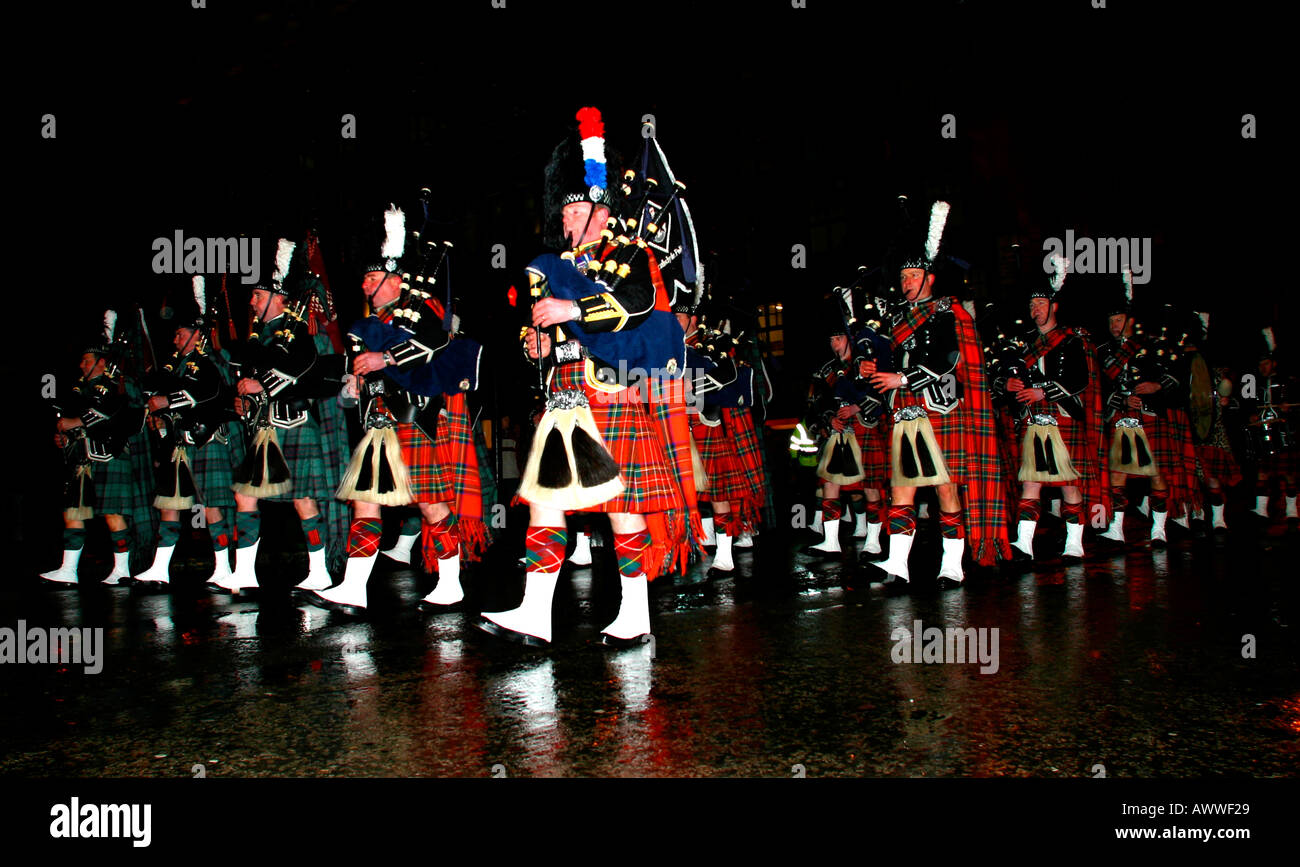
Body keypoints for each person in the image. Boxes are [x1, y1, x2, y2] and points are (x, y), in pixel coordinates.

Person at [479, 107, 697, 646]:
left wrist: (571, 312)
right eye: (570, 208)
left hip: (611, 392)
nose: (576, 217)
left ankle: (637, 614)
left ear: (603, 209)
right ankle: (534, 612)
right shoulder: (553, 265)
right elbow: (551, 339)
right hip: (564, 400)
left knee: (623, 513)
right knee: (546, 504)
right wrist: (539, 343)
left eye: (584, 206)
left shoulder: (630, 254)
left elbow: (638, 302)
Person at [310, 203, 487, 615]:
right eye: (365, 278)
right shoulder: (364, 328)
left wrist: (385, 360)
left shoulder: (424, 310)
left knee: (430, 503)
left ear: (395, 280)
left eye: (373, 277)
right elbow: (356, 386)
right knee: (365, 503)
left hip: (414, 419)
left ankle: (450, 584)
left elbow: (437, 345)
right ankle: (353, 588)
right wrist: (354, 382)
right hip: (378, 424)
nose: (366, 285)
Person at [861, 200, 1009, 588]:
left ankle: (953, 567)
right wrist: (874, 370)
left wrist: (901, 380)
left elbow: (946, 360)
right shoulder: (895, 319)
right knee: (901, 490)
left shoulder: (948, 311)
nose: (906, 282)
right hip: (906, 414)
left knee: (945, 490)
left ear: (929, 277)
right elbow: (890, 361)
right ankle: (897, 565)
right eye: (904, 276)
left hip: (939, 409)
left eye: (913, 275)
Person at [220, 240, 336, 594]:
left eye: (257, 295)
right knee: (244, 497)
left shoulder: (298, 329)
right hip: (264, 429)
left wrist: (262, 386)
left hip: (293, 425)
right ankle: (243, 573)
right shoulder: (259, 336)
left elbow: (303, 366)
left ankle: (320, 571)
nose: (252, 302)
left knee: (303, 499)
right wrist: (242, 402)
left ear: (277, 298)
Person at [992, 257, 1107, 562]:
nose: (1036, 310)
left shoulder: (1072, 341)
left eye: (1041, 304)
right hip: (1032, 421)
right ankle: (1024, 544)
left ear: (1054, 306)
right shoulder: (1024, 343)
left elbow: (1081, 379)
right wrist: (1008, 385)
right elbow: (1003, 374)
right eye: (1032, 305)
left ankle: (1074, 545)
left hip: (1062, 418)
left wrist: (1043, 390)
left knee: (1069, 485)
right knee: (1031, 482)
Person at [133, 280, 239, 585]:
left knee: (211, 505)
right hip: (180, 444)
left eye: (181, 333)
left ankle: (223, 569)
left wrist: (167, 400)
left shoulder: (212, 361)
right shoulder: (177, 366)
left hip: (207, 440)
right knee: (170, 503)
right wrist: (164, 418)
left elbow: (210, 392)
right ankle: (159, 568)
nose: (175, 339)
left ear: (197, 335)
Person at [42, 312, 149, 585]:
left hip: (109, 455)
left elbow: (111, 412)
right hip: (82, 458)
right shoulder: (80, 391)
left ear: (102, 362)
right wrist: (67, 438)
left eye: (86, 361)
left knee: (113, 514)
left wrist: (74, 422)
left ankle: (122, 570)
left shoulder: (118, 386)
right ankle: (68, 570)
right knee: (73, 513)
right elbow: (76, 423)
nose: (81, 365)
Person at [1096, 276, 1200, 547]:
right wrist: (1121, 399)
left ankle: (1159, 530)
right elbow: (1100, 389)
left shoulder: (1154, 346)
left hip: (1150, 416)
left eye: (1118, 320)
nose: (1113, 326)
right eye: (1110, 322)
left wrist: (1155, 387)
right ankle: (1116, 530)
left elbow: (1175, 377)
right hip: (1122, 417)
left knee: (1157, 473)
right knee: (1118, 473)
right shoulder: (1104, 352)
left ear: (1130, 320)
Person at [679, 302, 766, 576]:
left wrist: (694, 385)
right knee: (694, 491)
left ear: (693, 318)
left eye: (679, 317)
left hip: (712, 423)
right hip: (684, 424)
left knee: (719, 491)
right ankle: (701, 538)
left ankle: (725, 555)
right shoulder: (668, 346)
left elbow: (729, 374)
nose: (674, 322)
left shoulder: (713, 342)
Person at [1244, 328, 1297, 525]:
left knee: (1289, 474)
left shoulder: (1287, 382)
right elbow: (1246, 403)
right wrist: (1249, 413)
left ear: (1273, 363)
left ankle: (1292, 512)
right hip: (1262, 433)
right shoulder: (1251, 381)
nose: (1262, 368)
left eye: (1265, 364)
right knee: (1262, 473)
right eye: (1259, 365)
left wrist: (1288, 408)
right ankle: (1261, 510)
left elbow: (1295, 405)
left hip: (1284, 433)